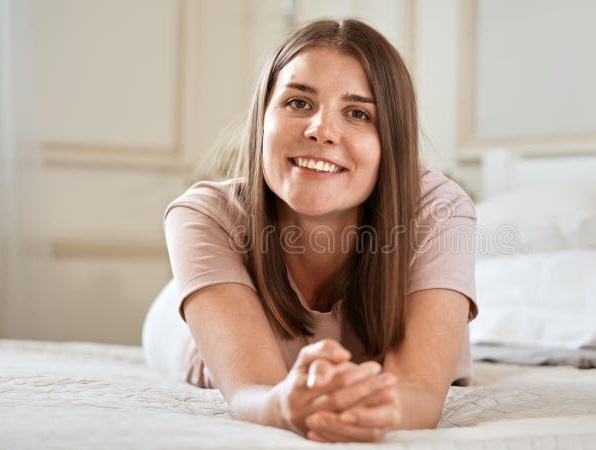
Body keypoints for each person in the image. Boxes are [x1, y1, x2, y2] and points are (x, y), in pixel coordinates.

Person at [142, 18, 478, 443]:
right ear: (263, 119)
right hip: (205, 314)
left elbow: (420, 396)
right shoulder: (203, 214)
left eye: (358, 113)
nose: (320, 130)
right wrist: (284, 406)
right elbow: (251, 392)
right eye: (298, 103)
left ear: (390, 141)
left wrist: (368, 413)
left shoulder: (440, 210)